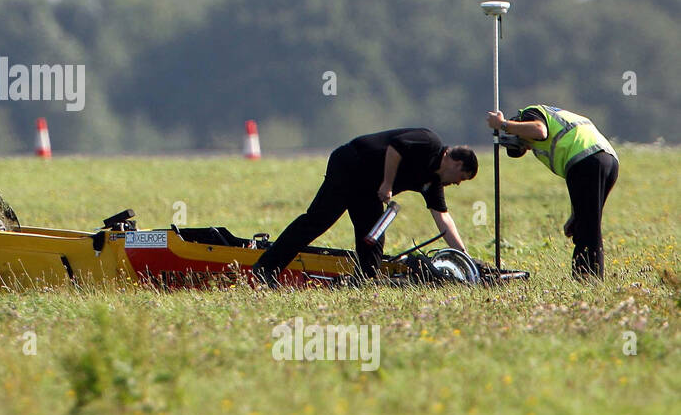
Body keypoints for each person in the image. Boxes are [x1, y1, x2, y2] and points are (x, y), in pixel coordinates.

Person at [251, 128, 478, 286]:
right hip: (350, 164)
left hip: (368, 188)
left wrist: (464, 257)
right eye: (461, 177)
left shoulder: (434, 182)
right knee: (317, 221)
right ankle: (265, 270)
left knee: (372, 237)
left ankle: (363, 281)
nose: (457, 183)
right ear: (456, 163)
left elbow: (443, 218)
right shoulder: (430, 142)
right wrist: (387, 184)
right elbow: (395, 148)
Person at [487, 105, 618, 280]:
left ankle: (589, 279)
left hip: (586, 159)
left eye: (522, 141)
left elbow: (539, 131)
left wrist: (503, 125)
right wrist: (574, 214)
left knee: (588, 229)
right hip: (606, 158)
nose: (527, 146)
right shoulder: (548, 127)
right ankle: (588, 276)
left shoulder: (530, 113)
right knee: (585, 224)